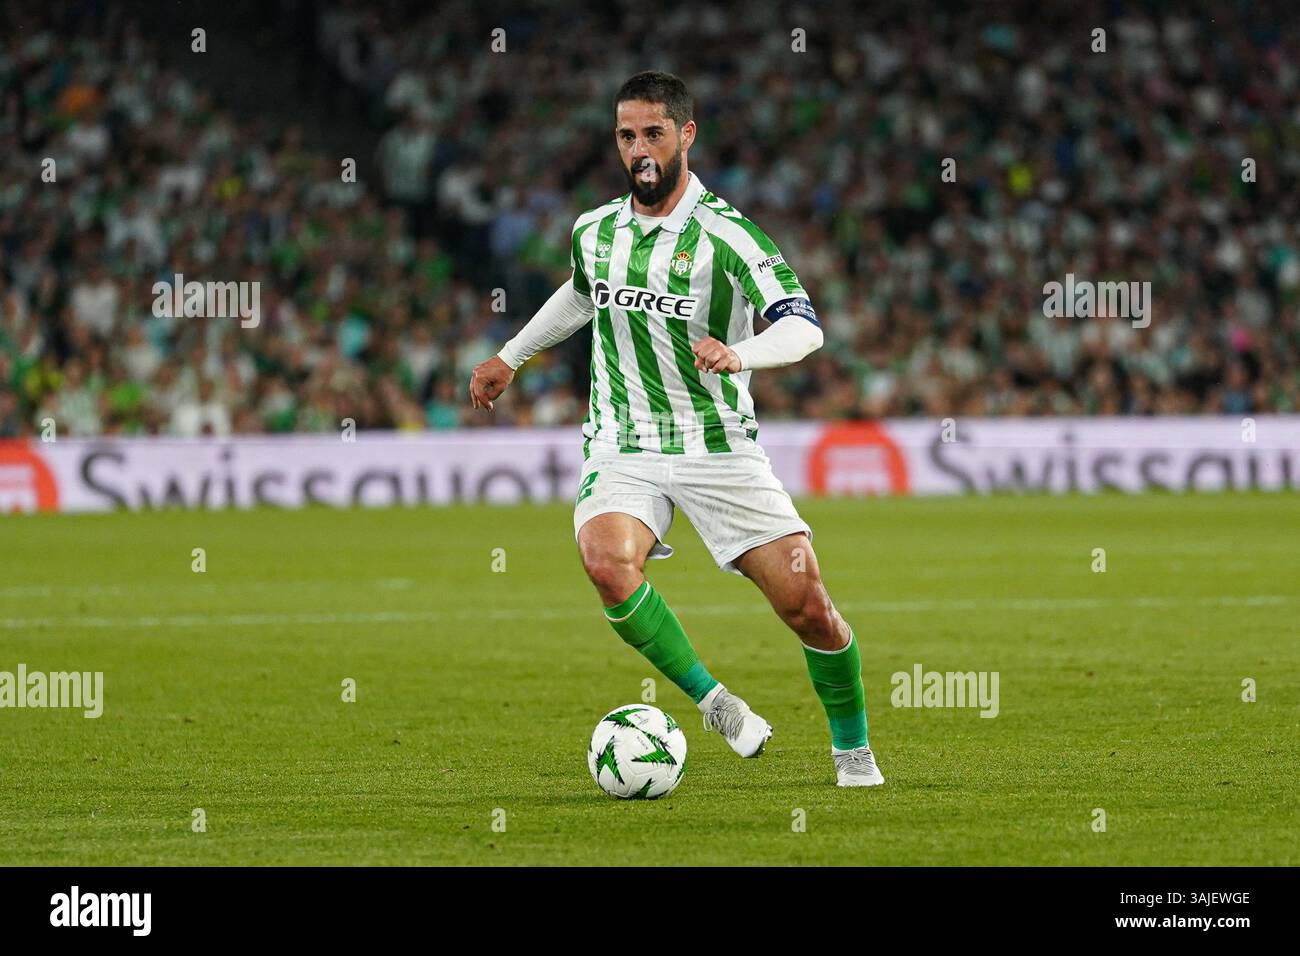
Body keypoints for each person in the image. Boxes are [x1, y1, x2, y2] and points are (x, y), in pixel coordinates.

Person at [469, 71, 882, 787]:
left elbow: (803, 328)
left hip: (715, 442)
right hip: (622, 438)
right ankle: (715, 702)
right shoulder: (594, 230)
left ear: (685, 134)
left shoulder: (728, 235)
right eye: (627, 135)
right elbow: (580, 292)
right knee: (605, 562)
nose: (639, 149)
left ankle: (854, 754)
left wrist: (739, 353)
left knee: (807, 605)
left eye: (653, 133)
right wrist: (513, 356)